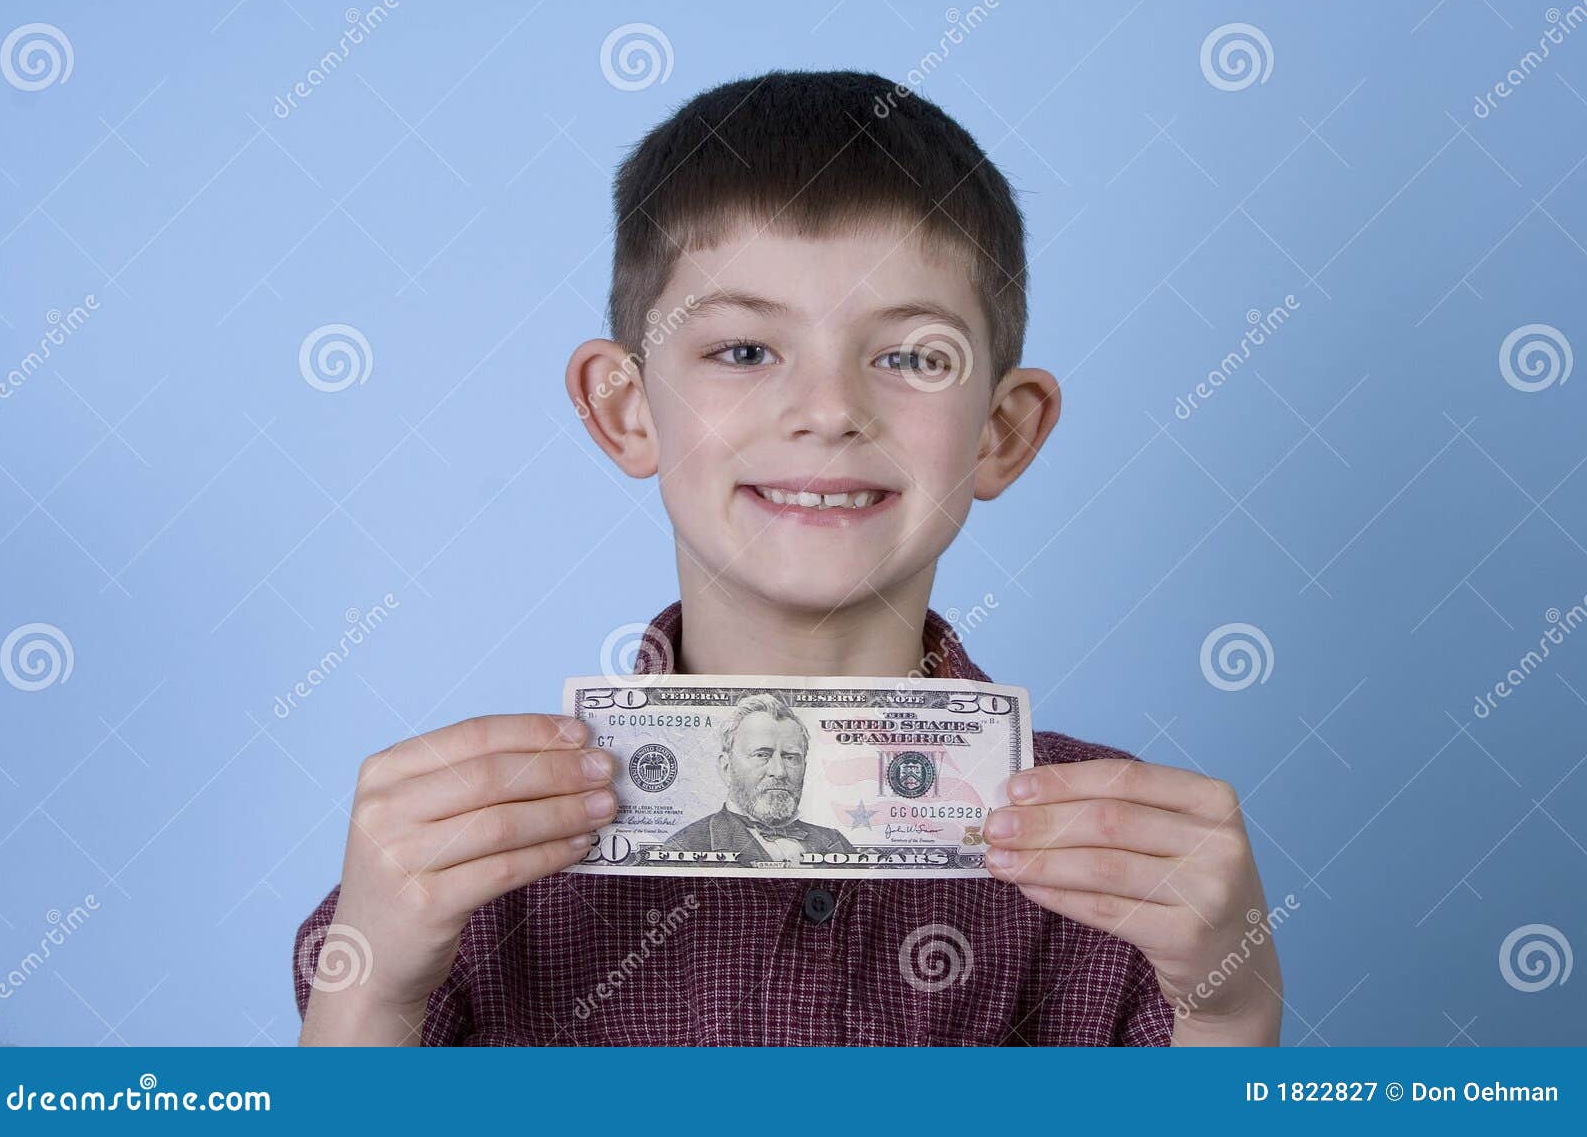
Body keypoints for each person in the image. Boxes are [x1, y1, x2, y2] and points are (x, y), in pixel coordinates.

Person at [294, 69, 1282, 1047]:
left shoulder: (1125, 883)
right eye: (742, 351)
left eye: (910, 357)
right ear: (625, 407)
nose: (826, 411)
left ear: (1000, 431)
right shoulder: (463, 869)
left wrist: (1227, 1013)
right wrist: (367, 996)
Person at [663, 692, 855, 863]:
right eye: (762, 755)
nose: (779, 771)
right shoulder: (682, 848)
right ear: (726, 767)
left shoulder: (836, 842)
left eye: (791, 757)